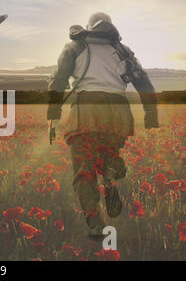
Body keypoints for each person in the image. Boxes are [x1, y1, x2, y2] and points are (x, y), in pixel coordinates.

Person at [47, 12, 159, 238]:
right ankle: (108, 174)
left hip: (86, 113)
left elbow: (58, 79)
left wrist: (53, 113)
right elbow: (143, 81)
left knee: (84, 171)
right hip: (117, 116)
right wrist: (150, 115)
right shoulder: (123, 50)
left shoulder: (75, 46)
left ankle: (95, 223)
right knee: (108, 153)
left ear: (89, 26)